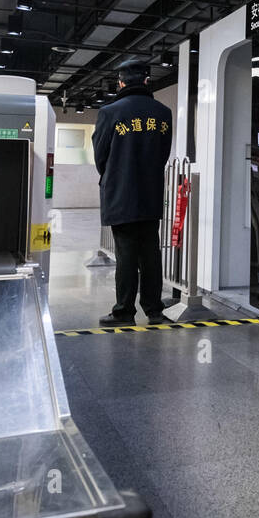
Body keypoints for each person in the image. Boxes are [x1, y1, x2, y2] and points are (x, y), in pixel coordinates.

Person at [92, 59, 173, 326]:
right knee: (150, 252)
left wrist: (118, 172)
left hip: (121, 194)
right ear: (147, 81)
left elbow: (100, 157)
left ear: (121, 82)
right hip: (149, 192)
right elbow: (163, 154)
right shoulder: (163, 113)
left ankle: (124, 312)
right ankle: (155, 311)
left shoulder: (109, 113)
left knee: (126, 254)